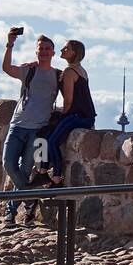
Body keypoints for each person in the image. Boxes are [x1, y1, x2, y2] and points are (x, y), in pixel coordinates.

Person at [0, 29, 60, 224]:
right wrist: (10, 44)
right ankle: (30, 200)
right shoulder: (29, 70)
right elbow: (7, 68)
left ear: (53, 52)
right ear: (36, 51)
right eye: (41, 48)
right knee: (8, 164)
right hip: (17, 125)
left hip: (38, 129)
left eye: (47, 48)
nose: (43, 51)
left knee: (25, 169)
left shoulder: (57, 76)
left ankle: (10, 213)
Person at [35, 39, 96, 187]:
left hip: (77, 116)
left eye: (66, 48)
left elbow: (68, 100)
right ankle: (42, 171)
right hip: (86, 115)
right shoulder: (81, 70)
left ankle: (56, 177)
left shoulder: (69, 72)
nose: (62, 50)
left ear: (74, 52)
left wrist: (62, 116)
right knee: (47, 135)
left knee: (51, 140)